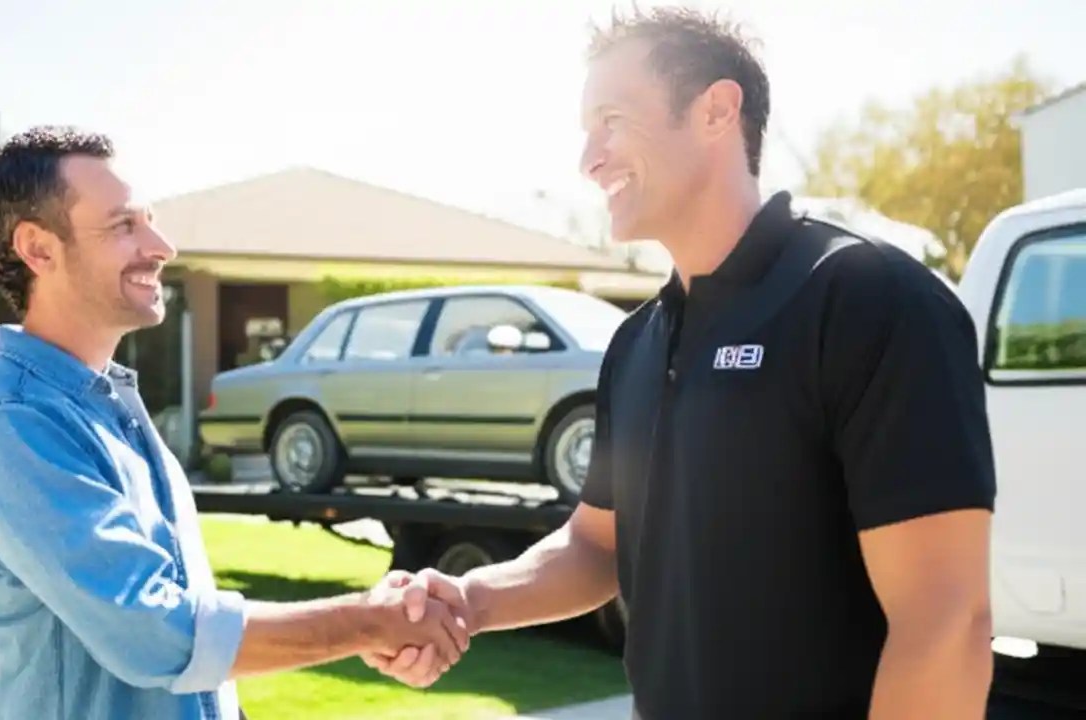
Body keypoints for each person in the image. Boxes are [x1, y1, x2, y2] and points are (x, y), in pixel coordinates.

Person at [363, 7, 997, 719]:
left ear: (717, 112)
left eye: (611, 120)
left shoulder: (868, 301)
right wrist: (469, 601)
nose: (589, 159)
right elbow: (596, 544)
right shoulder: (638, 344)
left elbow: (945, 624)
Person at [0, 126, 469, 720]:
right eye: (124, 225)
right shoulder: (12, 424)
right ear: (39, 249)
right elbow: (160, 635)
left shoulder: (111, 406)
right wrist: (369, 623)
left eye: (150, 219)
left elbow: (191, 633)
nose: (161, 245)